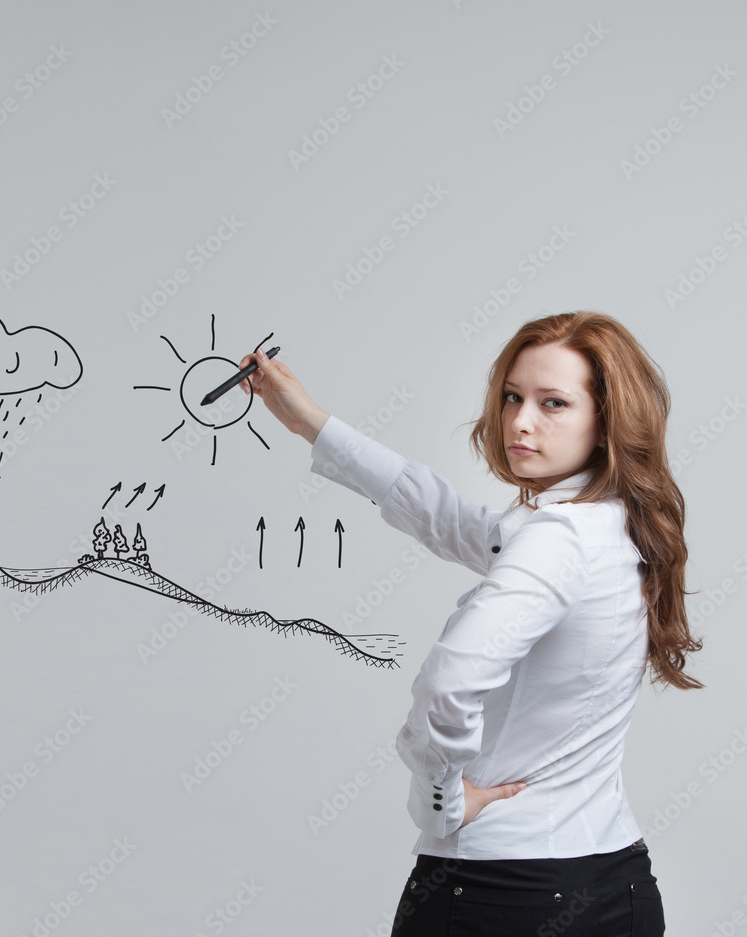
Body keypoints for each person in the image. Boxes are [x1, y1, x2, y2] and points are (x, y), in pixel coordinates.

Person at [237, 311, 702, 936]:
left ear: (607, 420)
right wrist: (310, 421)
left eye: (554, 403)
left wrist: (440, 800)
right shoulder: (612, 525)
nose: (520, 421)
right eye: (513, 396)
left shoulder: (557, 539)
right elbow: (451, 520)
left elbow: (449, 680)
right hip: (616, 884)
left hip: (504, 893)